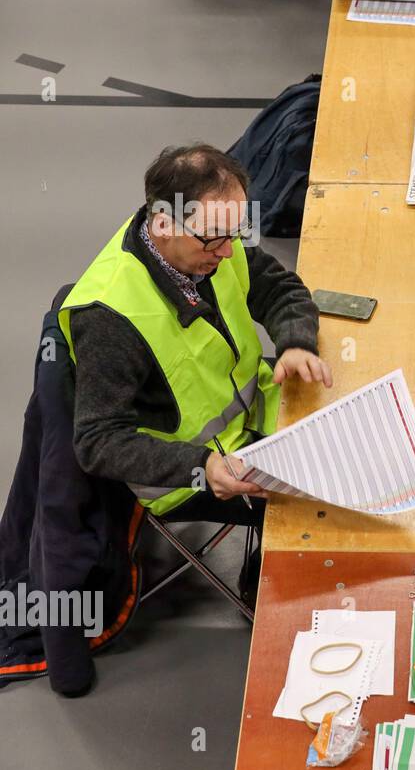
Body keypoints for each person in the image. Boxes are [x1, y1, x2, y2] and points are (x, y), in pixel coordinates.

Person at [57, 144, 332, 534]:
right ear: (164, 224)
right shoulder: (110, 317)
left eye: (236, 233)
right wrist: (203, 465)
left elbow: (279, 289)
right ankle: (260, 582)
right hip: (189, 475)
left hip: (255, 419)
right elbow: (98, 441)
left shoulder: (214, 238)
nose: (227, 251)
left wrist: (296, 343)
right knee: (329, 511)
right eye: (214, 239)